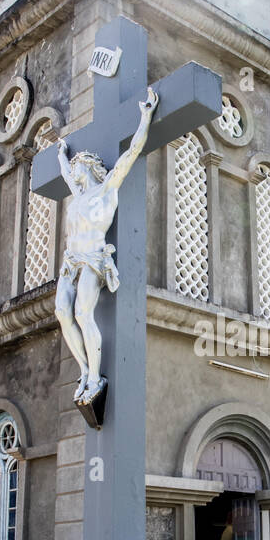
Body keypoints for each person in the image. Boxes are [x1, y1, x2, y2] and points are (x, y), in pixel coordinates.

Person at [55, 88, 159, 406]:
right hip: (71, 260)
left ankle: (95, 376)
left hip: (93, 260)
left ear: (88, 167)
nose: (73, 171)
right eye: (71, 168)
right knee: (62, 311)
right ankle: (85, 369)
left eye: (76, 166)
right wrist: (60, 154)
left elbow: (130, 154)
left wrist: (146, 116)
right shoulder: (77, 193)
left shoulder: (106, 190)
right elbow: (63, 172)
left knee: (84, 313)